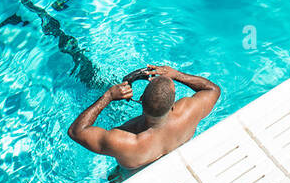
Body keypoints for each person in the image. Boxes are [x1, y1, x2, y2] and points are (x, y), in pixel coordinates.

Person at [68, 65, 220, 170]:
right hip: (173, 158)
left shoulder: (125, 141)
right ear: (173, 104)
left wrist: (108, 96)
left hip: (129, 173)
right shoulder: (188, 113)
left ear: (140, 99)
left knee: (115, 177)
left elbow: (76, 131)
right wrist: (176, 75)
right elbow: (212, 89)